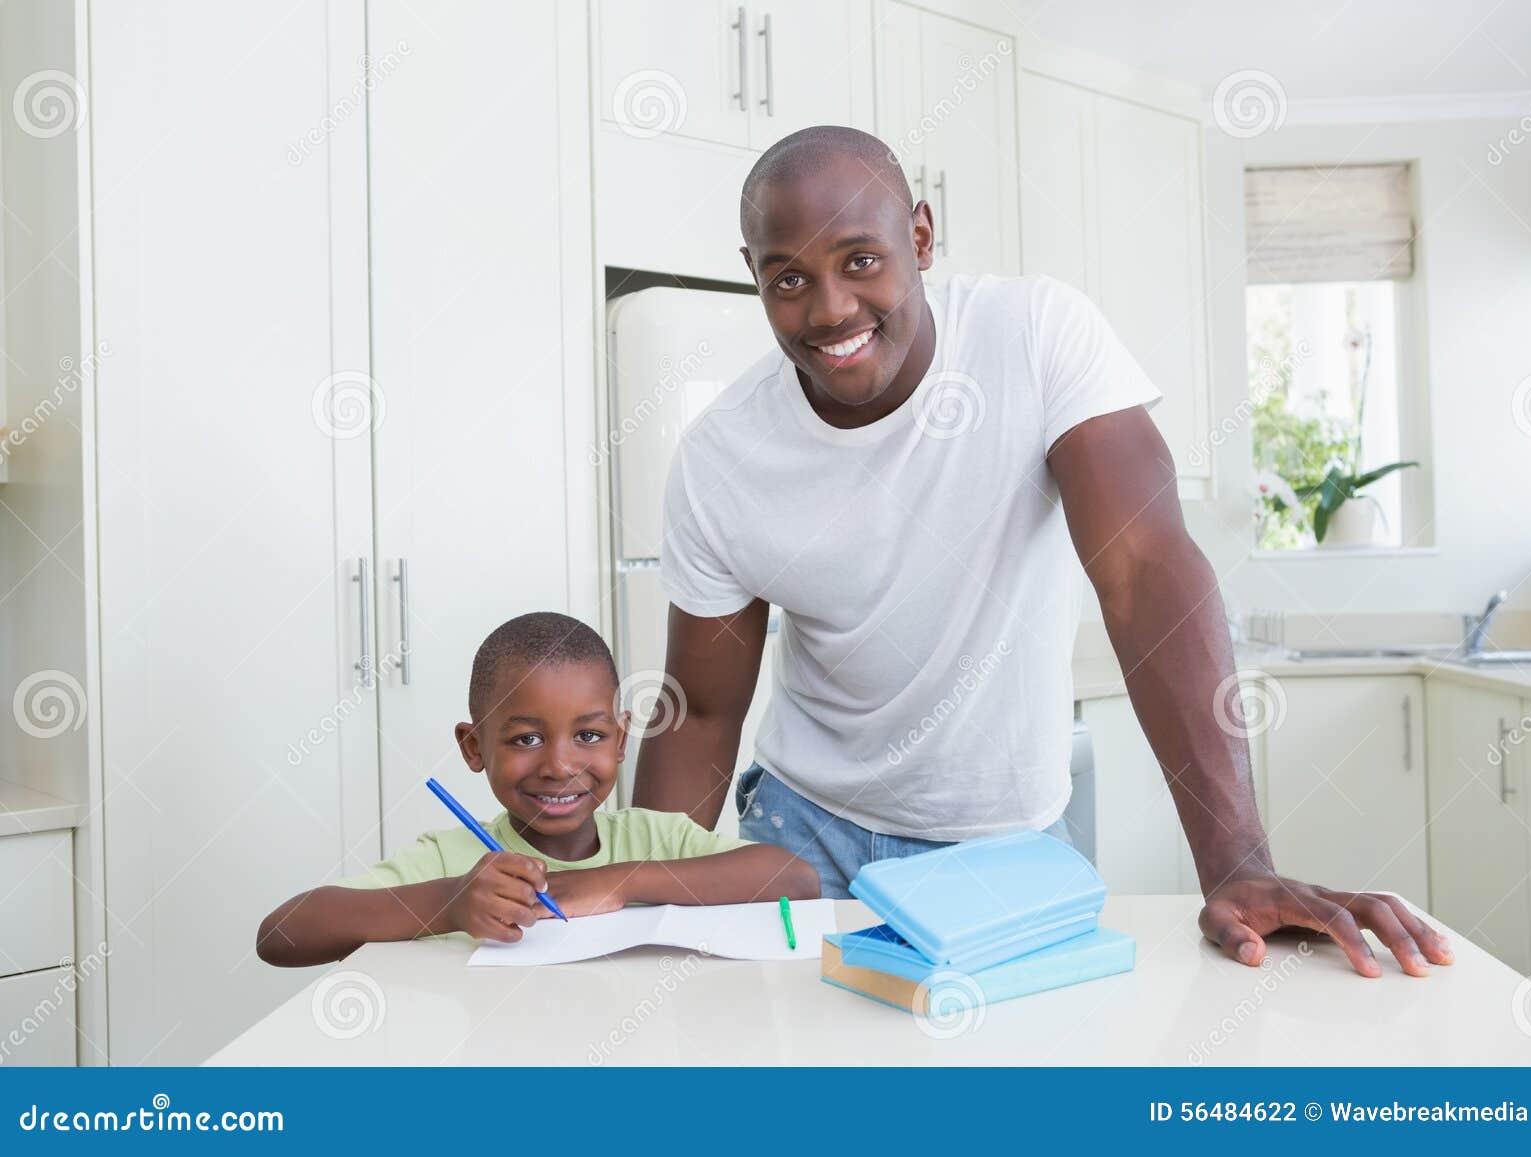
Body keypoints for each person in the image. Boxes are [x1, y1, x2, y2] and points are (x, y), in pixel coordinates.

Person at [631, 125, 1452, 979]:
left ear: (920, 236)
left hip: (1006, 851)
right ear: (753, 274)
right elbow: (701, 710)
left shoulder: (1034, 334)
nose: (830, 308)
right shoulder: (722, 456)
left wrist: (1237, 865)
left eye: (861, 260)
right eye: (789, 278)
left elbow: (1143, 576)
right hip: (802, 838)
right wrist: (635, 905)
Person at [257, 612, 817, 966]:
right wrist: (449, 904)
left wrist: (618, 881)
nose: (559, 764)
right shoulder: (452, 861)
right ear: (475, 748)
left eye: (589, 735)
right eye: (526, 738)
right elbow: (282, 934)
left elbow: (796, 877)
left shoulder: (653, 836)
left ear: (621, 740)